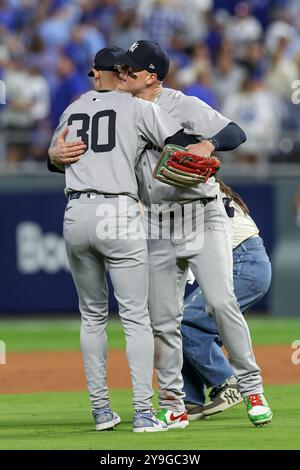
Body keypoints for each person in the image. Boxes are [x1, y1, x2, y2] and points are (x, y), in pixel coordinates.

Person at [50, 40, 273, 429]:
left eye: (129, 71)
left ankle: (252, 387)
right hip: (154, 221)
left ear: (150, 77)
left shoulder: (180, 104)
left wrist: (209, 142)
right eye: (120, 71)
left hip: (202, 215)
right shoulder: (123, 110)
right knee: (162, 320)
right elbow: (83, 154)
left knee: (220, 303)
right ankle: (172, 402)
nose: (122, 75)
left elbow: (235, 133)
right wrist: (54, 156)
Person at [48, 46, 203, 433]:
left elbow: (54, 156)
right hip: (118, 211)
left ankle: (101, 411)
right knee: (136, 317)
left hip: (76, 211)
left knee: (91, 317)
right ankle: (144, 412)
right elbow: (182, 143)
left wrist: (53, 156)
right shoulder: (138, 107)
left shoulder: (72, 109)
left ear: (95, 74)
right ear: (122, 73)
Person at [181, 179, 272, 420]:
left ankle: (225, 382)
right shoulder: (212, 186)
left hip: (243, 261)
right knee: (192, 323)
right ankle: (189, 399)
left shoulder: (193, 188)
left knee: (186, 321)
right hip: (251, 260)